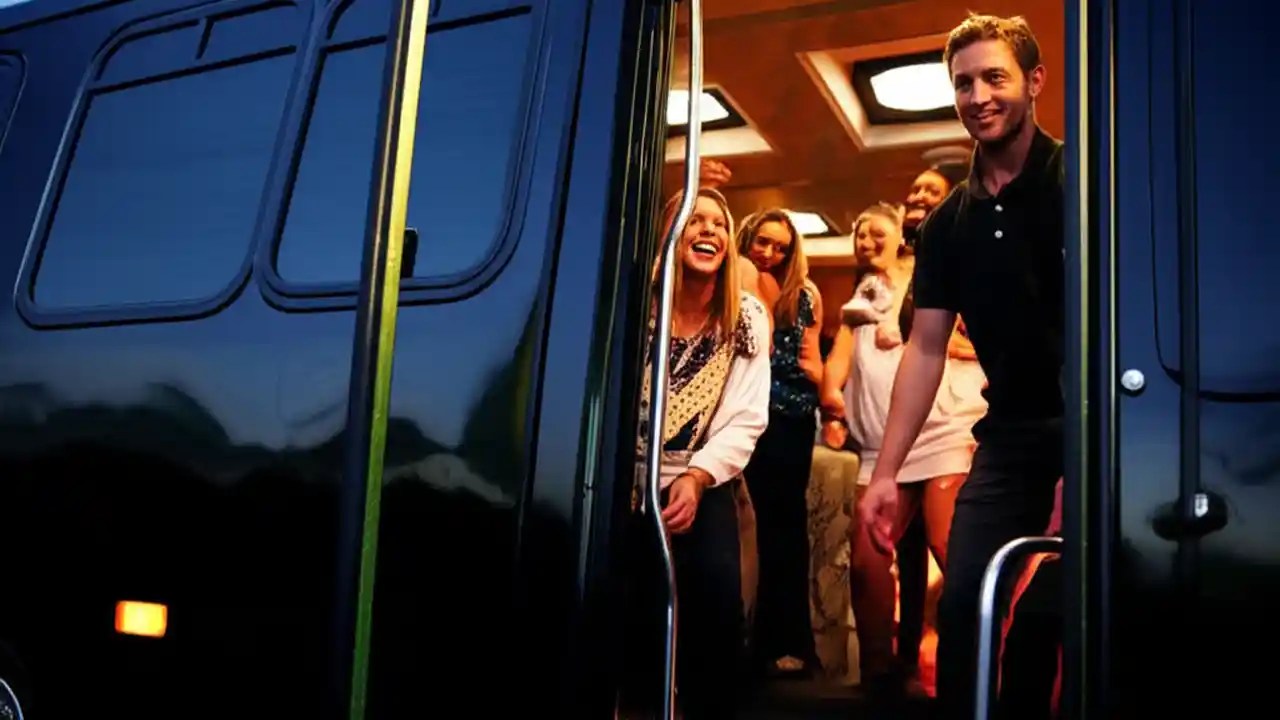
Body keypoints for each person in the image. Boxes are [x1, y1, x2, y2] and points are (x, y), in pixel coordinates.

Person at [856, 14, 1065, 719]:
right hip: (1010, 435)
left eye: (995, 77)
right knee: (970, 590)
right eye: (964, 83)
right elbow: (924, 347)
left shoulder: (1085, 181)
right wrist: (885, 472)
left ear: (1034, 82)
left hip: (1098, 428)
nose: (979, 95)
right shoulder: (948, 225)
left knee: (1052, 607)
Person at [820, 203, 985, 709]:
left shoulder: (927, 276)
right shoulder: (860, 297)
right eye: (860, 234)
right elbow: (836, 367)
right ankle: (878, 679)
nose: (867, 241)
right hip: (878, 446)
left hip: (941, 434)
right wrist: (833, 405)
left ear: (899, 239)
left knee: (951, 550)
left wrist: (914, 335)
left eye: (877, 233)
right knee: (868, 564)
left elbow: (973, 340)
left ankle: (973, 676)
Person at [629, 186, 772, 719]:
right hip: (627, 483)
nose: (708, 230)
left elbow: (746, 416)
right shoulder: (632, 307)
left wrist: (696, 476)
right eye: (694, 220)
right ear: (671, 234)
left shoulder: (746, 317)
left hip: (705, 482)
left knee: (713, 618)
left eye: (719, 222)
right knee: (632, 621)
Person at [736, 208, 823, 676]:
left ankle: (788, 644)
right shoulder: (735, 281)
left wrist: (819, 384)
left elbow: (815, 364)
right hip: (746, 419)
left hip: (791, 420)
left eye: (780, 246)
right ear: (746, 238)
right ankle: (745, 644)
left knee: (785, 530)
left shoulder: (805, 295)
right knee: (747, 528)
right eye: (762, 241)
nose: (769, 252)